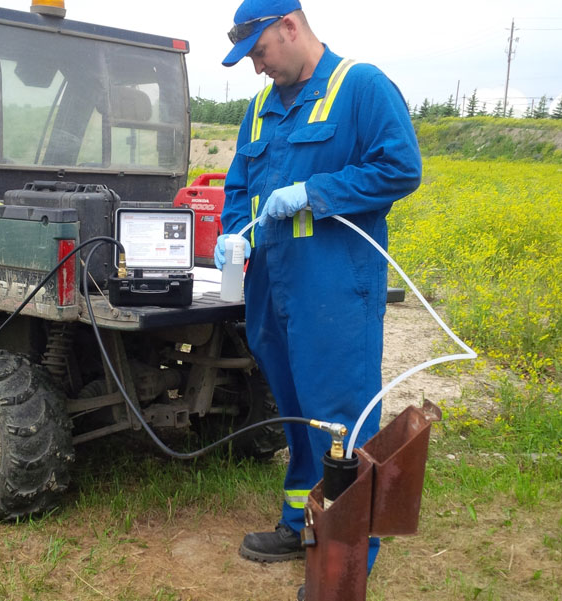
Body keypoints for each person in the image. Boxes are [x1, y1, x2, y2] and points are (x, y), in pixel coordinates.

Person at [214, 0, 423, 584]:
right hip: (272, 290)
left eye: (259, 53)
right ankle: (300, 526)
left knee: (341, 424)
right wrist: (233, 234)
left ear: (289, 26)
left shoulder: (361, 87)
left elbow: (400, 168)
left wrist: (315, 192)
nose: (257, 67)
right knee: (298, 416)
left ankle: (344, 565)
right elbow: (239, 185)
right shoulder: (261, 108)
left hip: (333, 291)